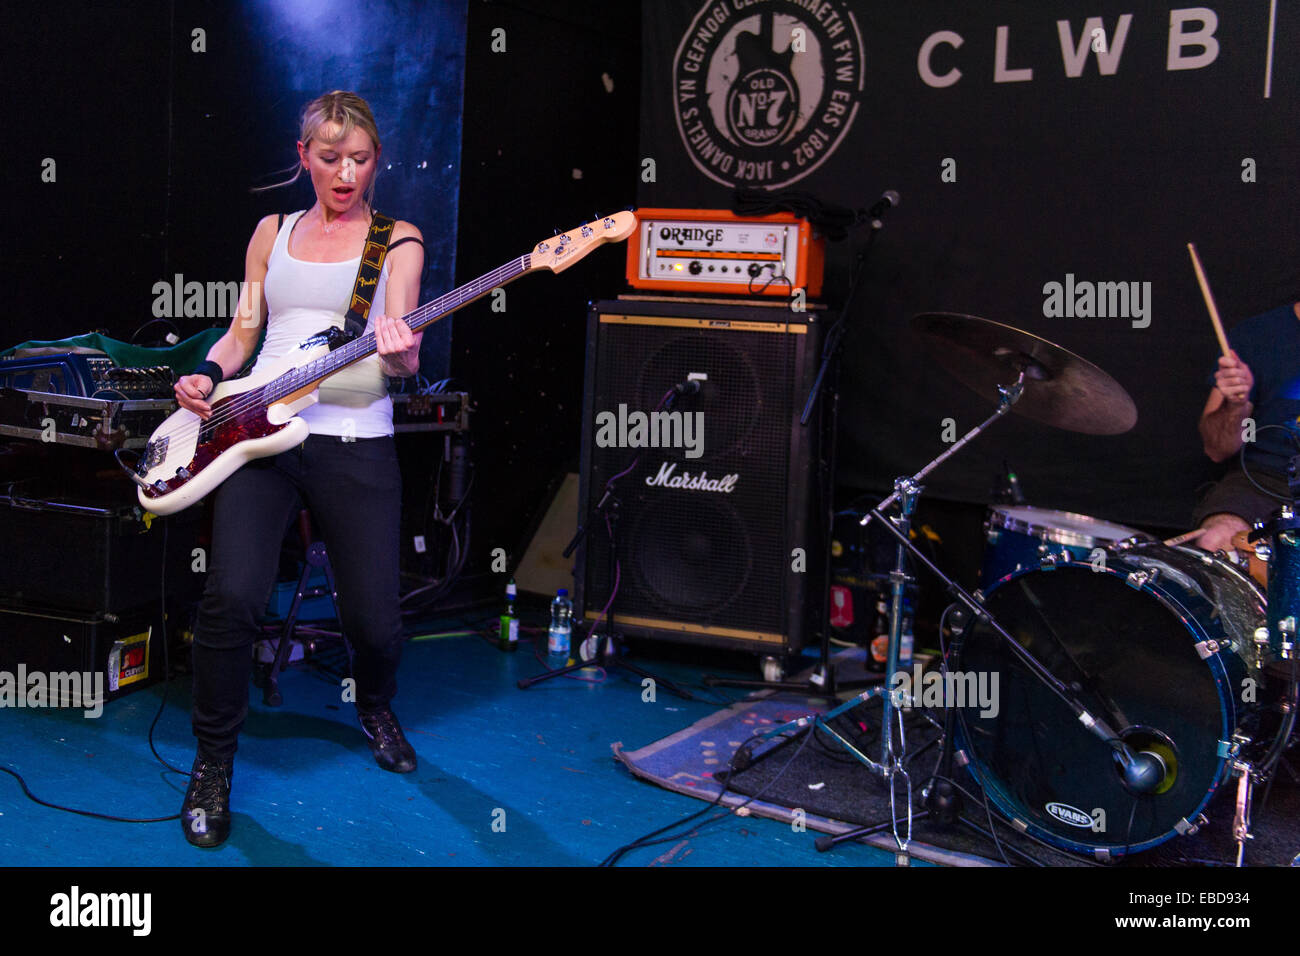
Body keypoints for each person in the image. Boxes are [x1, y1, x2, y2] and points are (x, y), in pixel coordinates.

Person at [172, 91, 426, 848]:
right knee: (232, 599)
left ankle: (375, 702)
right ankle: (212, 767)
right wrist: (209, 377)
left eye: (360, 158)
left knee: (374, 623)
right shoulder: (271, 232)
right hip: (257, 434)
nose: (345, 173)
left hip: (355, 434)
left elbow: (405, 353)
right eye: (329, 158)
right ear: (303, 156)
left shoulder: (397, 240)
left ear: (376, 159)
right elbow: (244, 329)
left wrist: (404, 352)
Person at [1195, 302, 1300, 553]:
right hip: (1264, 481)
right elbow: (1216, 449)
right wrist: (1235, 404)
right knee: (1217, 539)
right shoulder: (1258, 335)